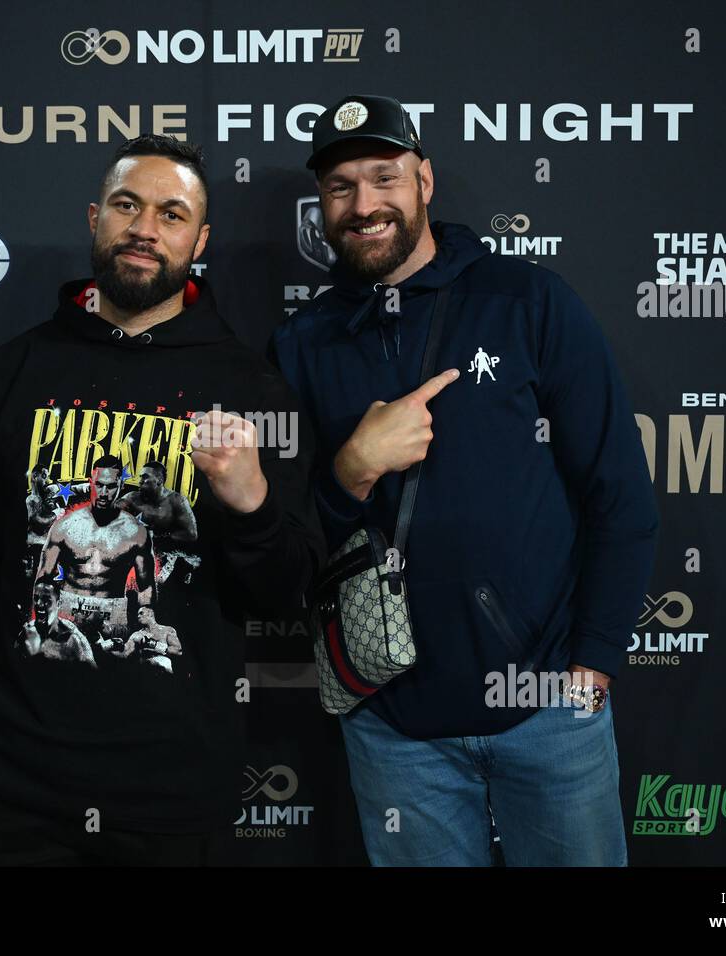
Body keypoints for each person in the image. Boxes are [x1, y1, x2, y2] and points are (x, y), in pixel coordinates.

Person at [268, 94, 660, 866]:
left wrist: (593, 667)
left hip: (548, 708)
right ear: (322, 205)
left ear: (425, 182)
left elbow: (620, 494)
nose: (364, 204)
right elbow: (282, 540)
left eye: (385, 177)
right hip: (392, 724)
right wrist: (351, 468)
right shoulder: (302, 343)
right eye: (341, 186)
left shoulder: (526, 301)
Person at [0, 132, 325, 866]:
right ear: (94, 218)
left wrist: (253, 502)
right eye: (126, 205)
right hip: (16, 779)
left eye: (171, 215)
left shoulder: (251, 388)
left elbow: (286, 591)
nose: (145, 228)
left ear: (200, 239)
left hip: (171, 791)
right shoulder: (12, 372)